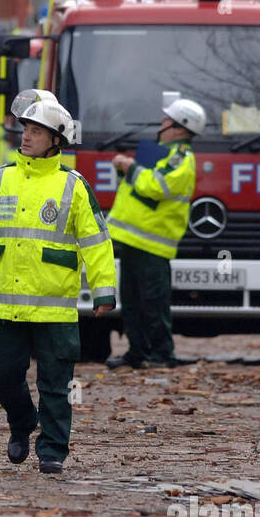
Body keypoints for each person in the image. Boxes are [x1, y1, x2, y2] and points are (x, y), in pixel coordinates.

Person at [0, 89, 116, 475]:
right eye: (25, 128)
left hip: (54, 307)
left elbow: (96, 242)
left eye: (36, 131)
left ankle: (53, 450)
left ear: (56, 140)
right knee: (1, 370)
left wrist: (104, 288)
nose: (26, 136)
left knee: (56, 384)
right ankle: (22, 421)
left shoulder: (73, 187)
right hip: (5, 307)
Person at [104, 98, 204, 369]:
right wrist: (126, 170)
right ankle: (138, 352)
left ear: (180, 128)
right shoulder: (163, 153)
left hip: (152, 244)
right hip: (133, 240)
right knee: (132, 301)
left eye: (166, 120)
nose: (161, 124)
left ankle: (162, 354)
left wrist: (129, 167)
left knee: (154, 303)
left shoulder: (180, 157)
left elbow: (156, 186)